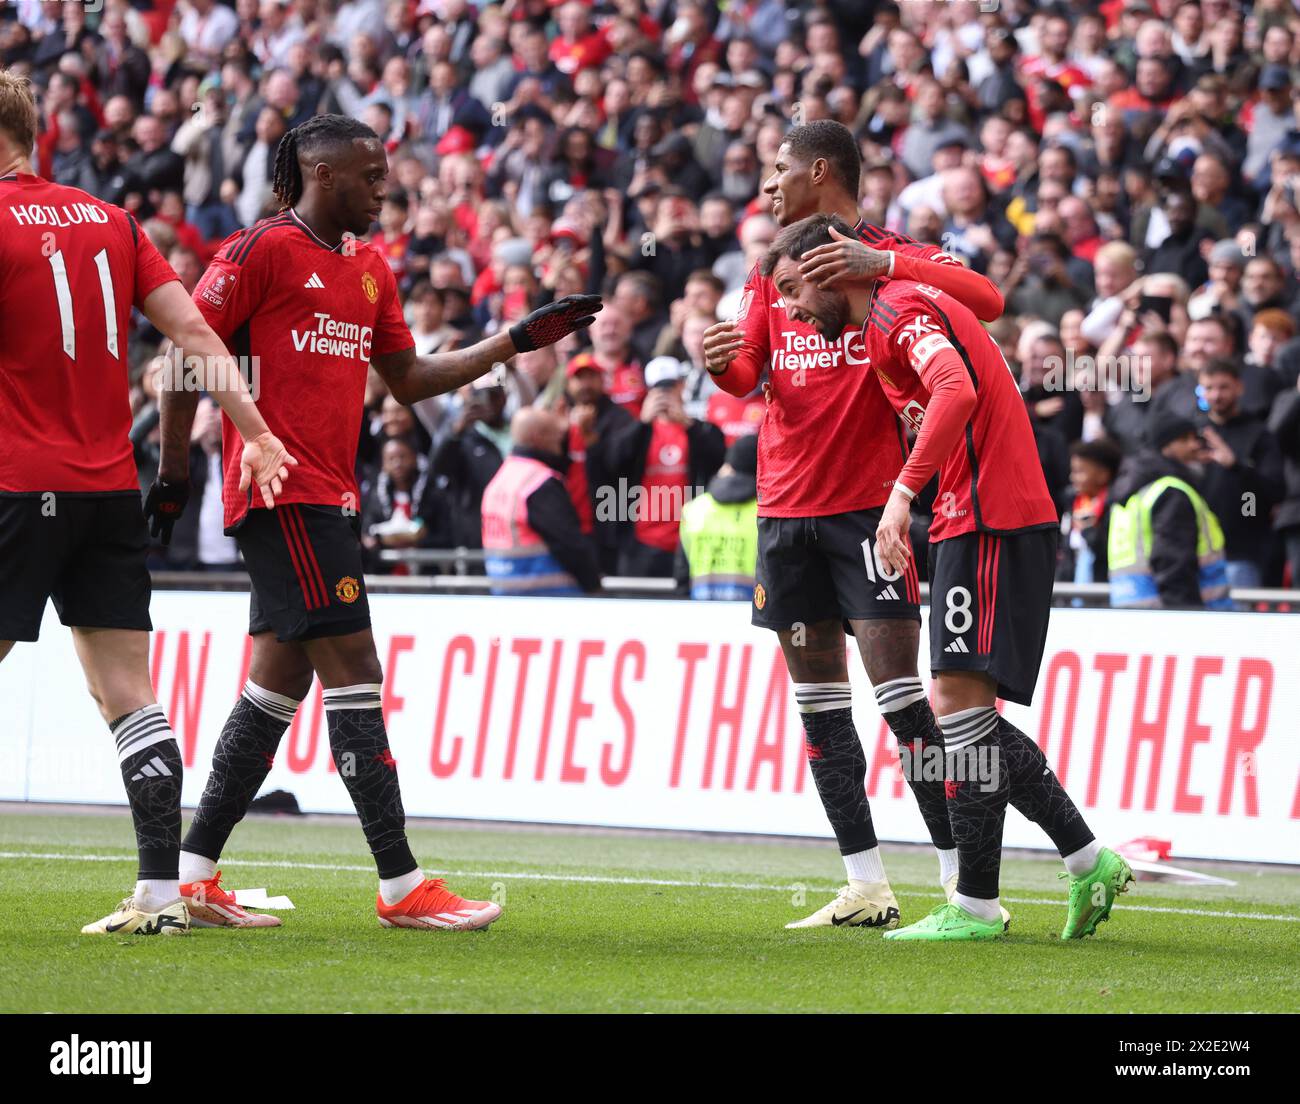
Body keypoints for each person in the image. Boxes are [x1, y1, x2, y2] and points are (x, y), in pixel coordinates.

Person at [159, 115, 600, 932]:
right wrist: (174, 469)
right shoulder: (258, 250)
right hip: (282, 490)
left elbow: (408, 378)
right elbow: (187, 346)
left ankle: (192, 876)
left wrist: (512, 340)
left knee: (275, 688)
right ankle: (400, 884)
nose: (384, 188)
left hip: (331, 497)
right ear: (323, 176)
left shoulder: (369, 270)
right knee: (356, 670)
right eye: (371, 175)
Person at [761, 211, 1134, 942]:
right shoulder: (873, 328)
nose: (793, 310)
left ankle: (983, 903)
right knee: (965, 716)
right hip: (971, 513)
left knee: (959, 714)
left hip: (994, 510)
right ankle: (1077, 864)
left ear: (836, 269)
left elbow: (956, 390)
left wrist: (899, 499)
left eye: (795, 289)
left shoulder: (900, 309)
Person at [0, 69, 294, 936]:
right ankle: (160, 895)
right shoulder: (113, 221)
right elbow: (197, 337)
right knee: (131, 696)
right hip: (104, 488)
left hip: (19, 485)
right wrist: (258, 432)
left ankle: (162, 895)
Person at [701, 119, 1007, 931]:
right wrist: (720, 361)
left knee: (905, 703)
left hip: (869, 511)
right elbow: (749, 373)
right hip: (783, 508)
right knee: (821, 708)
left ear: (820, 170)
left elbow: (988, 296)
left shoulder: (889, 257)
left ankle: (958, 887)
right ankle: (866, 885)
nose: (767, 185)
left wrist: (885, 264)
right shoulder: (769, 269)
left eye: (778, 170)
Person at [606, 356, 726, 577]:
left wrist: (687, 424)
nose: (664, 395)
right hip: (642, 544)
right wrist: (642, 423)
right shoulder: (636, 432)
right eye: (657, 389)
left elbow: (718, 460)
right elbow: (612, 465)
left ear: (682, 385)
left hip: (690, 539)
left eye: (670, 386)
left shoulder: (701, 430)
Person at [1108, 413, 1232, 611]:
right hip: (1172, 619)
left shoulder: (1132, 489)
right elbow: (1174, 564)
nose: (1194, 445)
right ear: (1164, 447)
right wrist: (1185, 616)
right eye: (1183, 439)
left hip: (1132, 611)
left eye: (1194, 438)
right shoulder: (1171, 491)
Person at [481, 407, 601, 595]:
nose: (560, 441)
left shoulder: (499, 480)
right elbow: (569, 543)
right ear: (538, 437)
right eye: (554, 433)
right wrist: (593, 584)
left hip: (507, 596)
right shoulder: (539, 482)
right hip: (549, 601)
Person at [674, 432, 758, 600]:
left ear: (728, 466)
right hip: (753, 618)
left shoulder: (694, 509)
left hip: (702, 613)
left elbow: (682, 575)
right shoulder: (766, 513)